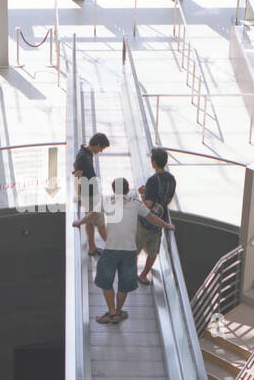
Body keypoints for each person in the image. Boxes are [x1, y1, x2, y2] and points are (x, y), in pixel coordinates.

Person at [94, 177, 173, 324]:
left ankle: (111, 312)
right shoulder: (136, 204)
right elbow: (152, 218)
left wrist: (79, 222)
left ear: (113, 190)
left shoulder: (107, 202)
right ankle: (118, 313)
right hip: (129, 251)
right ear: (127, 189)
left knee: (106, 281)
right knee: (124, 284)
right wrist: (167, 225)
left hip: (111, 249)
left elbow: (93, 215)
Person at [135, 147, 178, 286]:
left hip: (146, 221)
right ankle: (143, 275)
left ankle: (130, 273)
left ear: (153, 162)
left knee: (135, 249)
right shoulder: (172, 179)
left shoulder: (152, 180)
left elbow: (147, 204)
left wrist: (142, 195)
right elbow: (168, 201)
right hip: (160, 221)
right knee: (153, 252)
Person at [71, 132, 110, 256]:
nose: (101, 151)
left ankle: (92, 248)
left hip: (91, 191)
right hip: (89, 194)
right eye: (101, 148)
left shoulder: (86, 152)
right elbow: (77, 177)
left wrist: (76, 169)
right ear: (97, 144)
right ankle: (113, 250)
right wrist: (79, 195)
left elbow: (76, 166)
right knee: (100, 223)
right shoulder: (83, 155)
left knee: (90, 221)